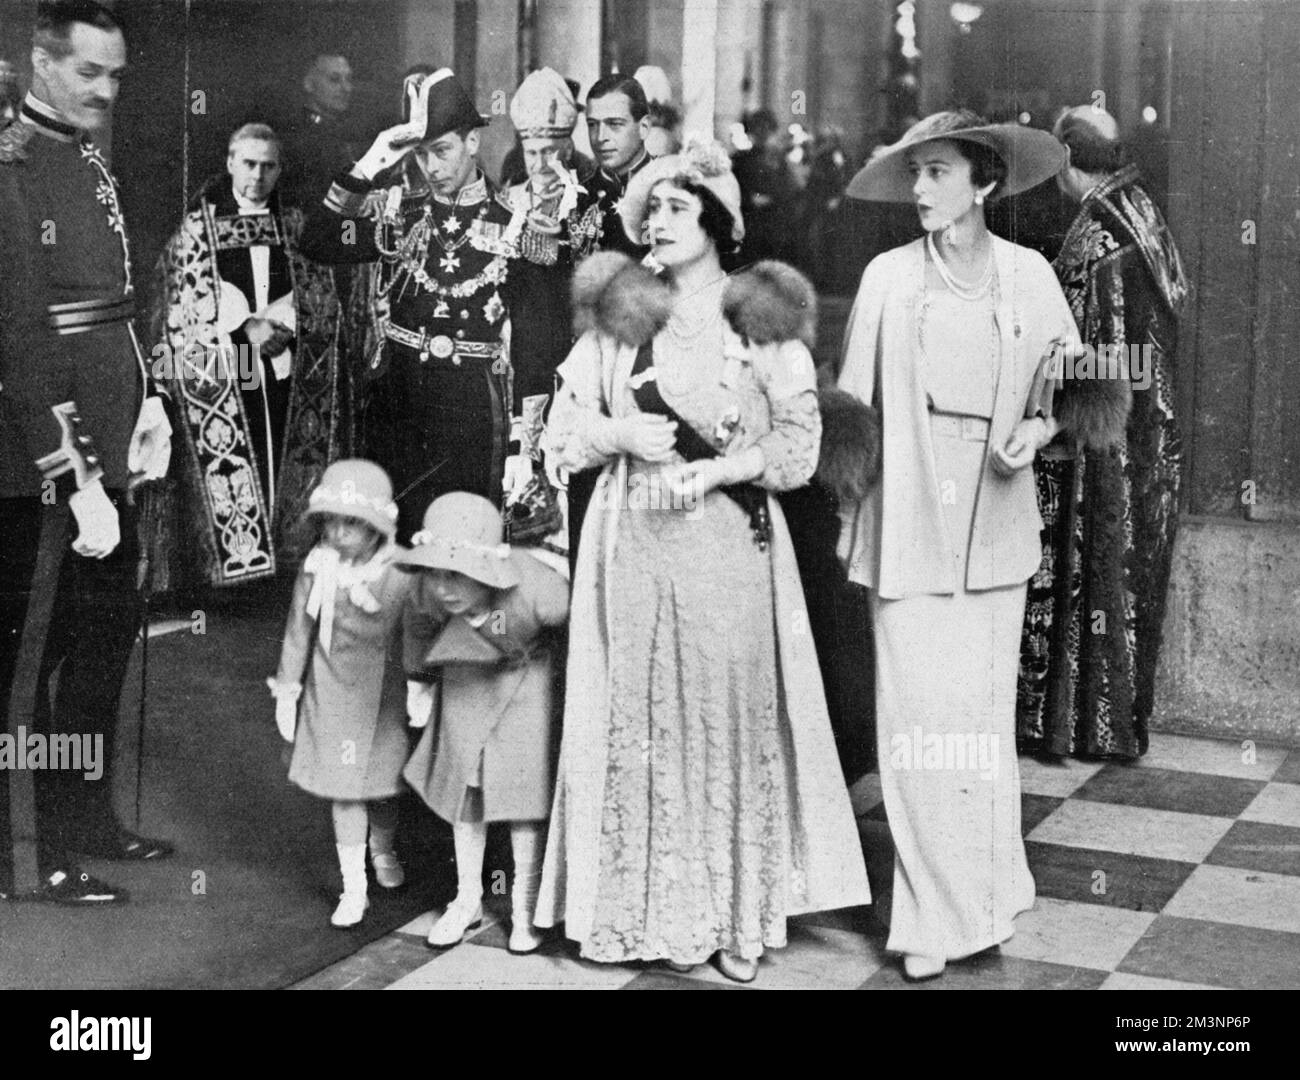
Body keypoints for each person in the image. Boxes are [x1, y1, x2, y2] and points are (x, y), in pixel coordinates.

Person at [535, 139, 870, 983]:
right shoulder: (618, 319)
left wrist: (722, 465)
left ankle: (731, 920)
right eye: (651, 208)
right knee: (638, 723)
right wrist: (615, 434)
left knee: (722, 721)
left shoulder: (759, 321)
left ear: (719, 223)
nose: (658, 220)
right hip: (632, 544)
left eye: (678, 207)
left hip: (726, 546)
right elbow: (557, 436)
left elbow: (799, 450)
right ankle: (635, 914)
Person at [837, 110, 1127, 980]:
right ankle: (937, 916)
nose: (920, 190)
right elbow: (848, 413)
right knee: (918, 728)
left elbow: (1079, 388)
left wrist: (1036, 434)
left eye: (936, 172)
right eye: (915, 173)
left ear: (984, 183)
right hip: (907, 516)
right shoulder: (888, 277)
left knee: (974, 721)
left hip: (994, 519)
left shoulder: (1028, 275)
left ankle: (995, 878)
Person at [1, 0, 173, 905]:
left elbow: (109, 310)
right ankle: (23, 853)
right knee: (30, 658)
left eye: (115, 76)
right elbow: (23, 341)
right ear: (40, 58)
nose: (105, 92)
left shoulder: (82, 154)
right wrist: (72, 477)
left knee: (104, 636)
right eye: (87, 73)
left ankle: (83, 815)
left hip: (111, 440)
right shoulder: (10, 166)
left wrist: (148, 408)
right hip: (40, 460)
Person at [1017, 105, 1187, 761]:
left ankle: (1082, 722)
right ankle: (1117, 719)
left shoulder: (1094, 238)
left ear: (1066, 160)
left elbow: (1073, 354)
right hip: (1151, 417)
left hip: (1103, 431)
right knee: (1133, 562)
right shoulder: (1140, 210)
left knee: (1094, 553)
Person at [298, 69, 523, 540]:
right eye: (420, 155)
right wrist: (372, 162)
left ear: (473, 142)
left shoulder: (514, 224)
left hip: (471, 404)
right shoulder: (397, 213)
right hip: (399, 398)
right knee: (395, 539)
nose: (431, 167)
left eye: (441, 151)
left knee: (462, 537)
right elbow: (317, 239)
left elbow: (534, 335)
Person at [150, 122, 347, 592]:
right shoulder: (199, 229)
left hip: (286, 369)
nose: (258, 176)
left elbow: (324, 299)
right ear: (230, 164)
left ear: (279, 169)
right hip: (226, 372)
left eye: (269, 166)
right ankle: (233, 574)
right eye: (249, 164)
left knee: (281, 455)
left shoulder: (296, 227)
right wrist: (243, 331)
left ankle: (281, 566)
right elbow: (178, 308)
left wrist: (288, 329)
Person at [400, 493, 569, 953]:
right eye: (435, 572)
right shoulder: (427, 591)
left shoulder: (537, 586)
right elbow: (416, 625)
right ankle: (469, 897)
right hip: (462, 686)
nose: (443, 587)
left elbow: (559, 620)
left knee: (522, 800)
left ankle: (526, 905)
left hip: (522, 692)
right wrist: (418, 681)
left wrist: (485, 623)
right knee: (465, 796)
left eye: (456, 575)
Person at [267, 459, 411, 928]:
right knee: (345, 791)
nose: (339, 532)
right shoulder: (316, 568)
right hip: (331, 692)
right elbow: (298, 631)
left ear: (377, 527)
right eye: (330, 521)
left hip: (385, 693)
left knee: (385, 785)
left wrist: (423, 686)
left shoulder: (400, 572)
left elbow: (418, 632)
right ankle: (355, 887)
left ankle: (382, 847)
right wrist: (288, 689)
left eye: (352, 523)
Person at [500, 68, 621, 554]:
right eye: (533, 152)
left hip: (576, 352)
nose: (543, 163)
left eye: (553, 151)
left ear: (570, 149)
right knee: (521, 469)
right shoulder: (506, 202)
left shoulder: (595, 204)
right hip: (521, 354)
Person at [279, 52, 358, 208]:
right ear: (309, 84)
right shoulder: (298, 137)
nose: (346, 88)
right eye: (334, 80)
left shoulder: (340, 132)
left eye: (348, 79)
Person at [732, 108, 801, 265]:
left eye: (766, 129)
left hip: (776, 222)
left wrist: (772, 199)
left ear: (772, 131)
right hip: (751, 222)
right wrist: (750, 200)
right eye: (757, 129)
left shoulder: (781, 160)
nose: (761, 134)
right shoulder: (741, 160)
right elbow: (735, 188)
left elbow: (791, 189)